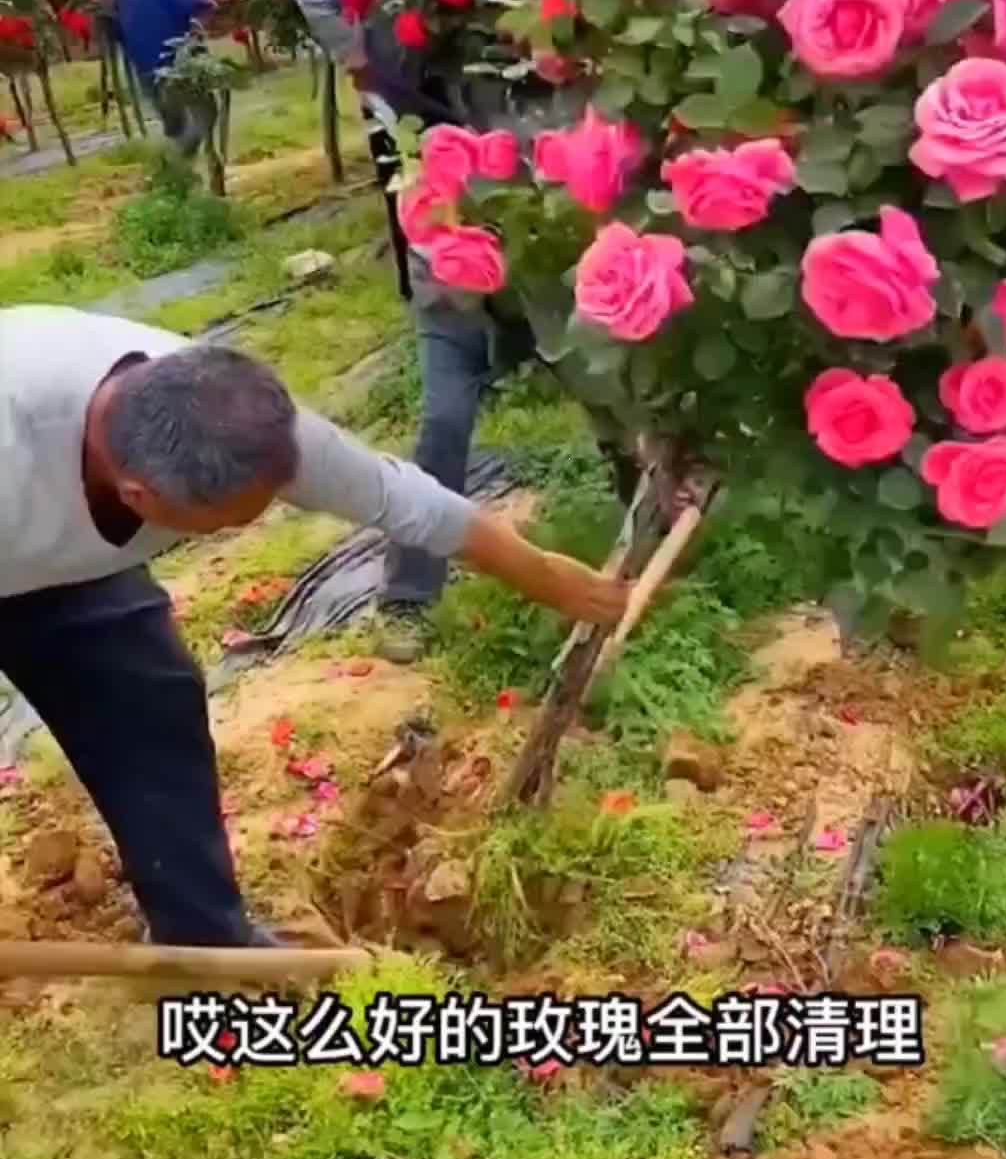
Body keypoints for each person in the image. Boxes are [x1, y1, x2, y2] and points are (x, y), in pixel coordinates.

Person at [0, 304, 626, 947]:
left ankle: (206, 946)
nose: (245, 527)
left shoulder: (239, 421)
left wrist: (547, 575)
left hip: (70, 570)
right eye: (223, 524)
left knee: (151, 708)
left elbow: (408, 502)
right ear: (139, 496)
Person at [295, 0, 638, 663]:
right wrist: (359, 63)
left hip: (536, 258)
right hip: (451, 257)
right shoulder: (406, 66)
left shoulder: (533, 51)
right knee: (446, 420)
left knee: (602, 395)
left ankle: (641, 530)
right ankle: (409, 596)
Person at [112, 0, 213, 154]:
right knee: (201, 113)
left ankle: (177, 167)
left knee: (170, 116)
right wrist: (212, 2)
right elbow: (191, 1)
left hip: (141, 57)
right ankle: (182, 164)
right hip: (172, 52)